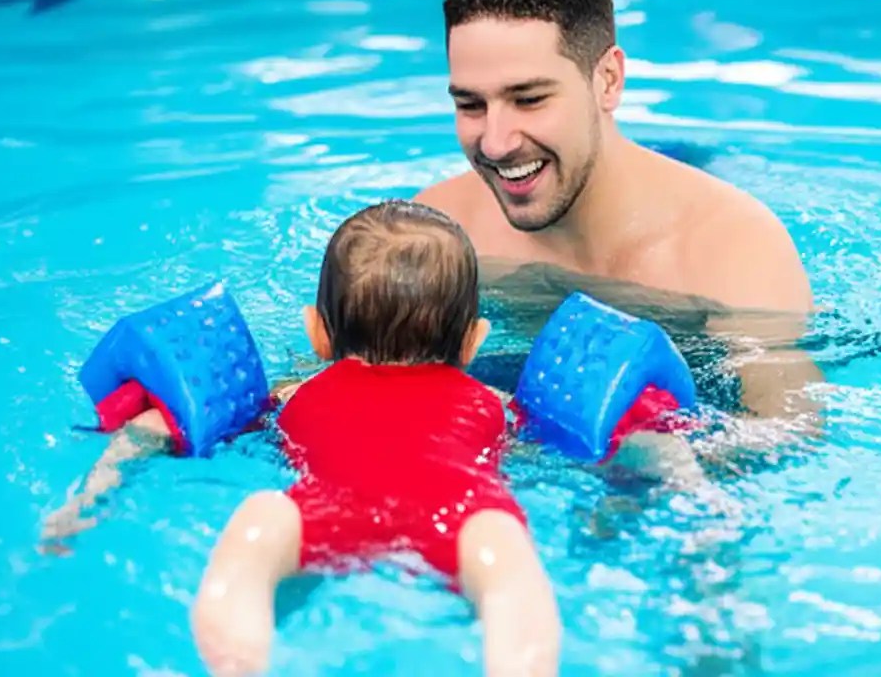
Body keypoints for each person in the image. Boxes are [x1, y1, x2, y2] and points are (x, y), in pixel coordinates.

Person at [47, 202, 562, 676]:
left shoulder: (291, 396)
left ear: (317, 333)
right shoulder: (496, 404)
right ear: (474, 340)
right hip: (462, 509)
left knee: (259, 524)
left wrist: (94, 491)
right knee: (504, 556)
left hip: (325, 506)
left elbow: (153, 428)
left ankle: (237, 663)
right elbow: (547, 455)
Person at [416, 0, 825, 435]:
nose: (495, 142)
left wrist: (651, 454)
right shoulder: (441, 230)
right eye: (470, 105)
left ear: (608, 80)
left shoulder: (731, 251)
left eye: (529, 99)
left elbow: (788, 429)